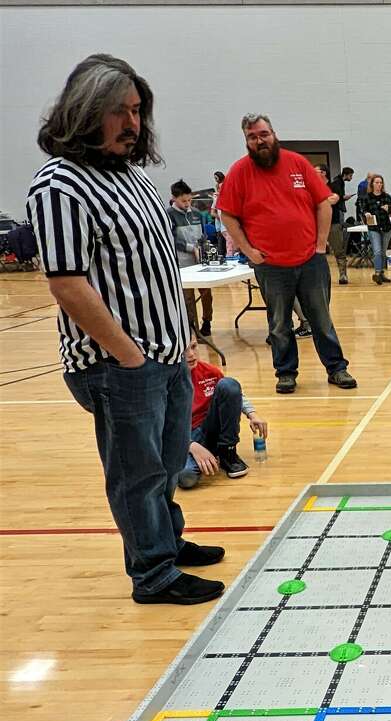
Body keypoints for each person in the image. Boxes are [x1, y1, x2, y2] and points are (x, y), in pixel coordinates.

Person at [27, 54, 225, 605]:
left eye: (137, 110)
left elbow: (152, 265)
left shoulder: (133, 176)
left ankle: (168, 542)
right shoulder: (61, 186)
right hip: (117, 364)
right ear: (85, 112)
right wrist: (129, 355)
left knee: (164, 463)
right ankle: (154, 574)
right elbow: (67, 285)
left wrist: (180, 334)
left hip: (164, 352)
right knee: (136, 474)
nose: (132, 123)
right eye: (119, 111)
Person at [218, 113, 356, 394]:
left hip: (310, 261)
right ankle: (285, 372)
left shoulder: (297, 163)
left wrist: (320, 245)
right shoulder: (239, 172)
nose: (260, 140)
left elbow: (323, 204)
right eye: (252, 137)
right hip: (270, 265)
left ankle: (337, 368)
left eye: (263, 134)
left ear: (273, 133)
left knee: (320, 318)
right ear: (247, 141)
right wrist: (247, 251)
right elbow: (228, 215)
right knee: (279, 323)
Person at [178, 338, 266, 488]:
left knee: (229, 385)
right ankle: (208, 454)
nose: (191, 355)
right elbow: (162, 428)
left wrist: (252, 414)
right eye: (184, 350)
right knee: (187, 478)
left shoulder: (209, 371)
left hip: (209, 427)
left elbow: (234, 394)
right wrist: (191, 446)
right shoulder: (164, 381)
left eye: (193, 347)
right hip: (181, 437)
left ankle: (227, 452)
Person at [167, 180, 214, 337]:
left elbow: (204, 235)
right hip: (182, 264)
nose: (187, 204)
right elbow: (171, 239)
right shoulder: (169, 215)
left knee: (206, 293)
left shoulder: (196, 213)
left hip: (200, 262)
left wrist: (203, 248)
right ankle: (191, 326)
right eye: (183, 201)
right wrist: (190, 248)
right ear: (174, 198)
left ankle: (207, 321)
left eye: (189, 200)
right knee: (187, 297)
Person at [359, 173, 391, 285]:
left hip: (386, 227)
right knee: (377, 251)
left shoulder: (386, 197)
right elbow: (363, 210)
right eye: (376, 182)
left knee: (383, 252)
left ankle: (381, 273)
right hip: (373, 227)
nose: (379, 184)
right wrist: (366, 213)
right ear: (372, 184)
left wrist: (388, 209)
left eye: (380, 182)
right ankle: (377, 273)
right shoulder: (367, 197)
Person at [324, 165, 353, 285]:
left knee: (338, 249)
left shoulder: (337, 183)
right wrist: (342, 198)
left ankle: (343, 274)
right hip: (330, 219)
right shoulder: (336, 184)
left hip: (333, 220)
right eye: (350, 175)